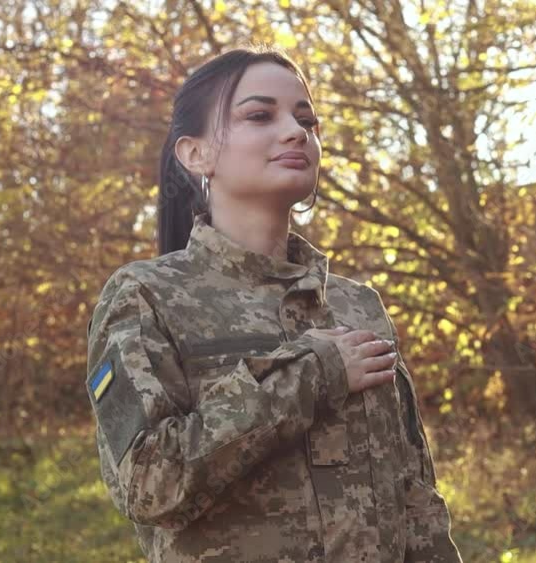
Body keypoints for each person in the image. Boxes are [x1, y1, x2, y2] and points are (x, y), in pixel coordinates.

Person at [84, 43, 463, 562]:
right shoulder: (146, 296)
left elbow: (414, 493)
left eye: (306, 120)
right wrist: (311, 372)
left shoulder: (357, 305)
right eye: (260, 115)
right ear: (196, 153)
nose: (295, 132)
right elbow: (148, 483)